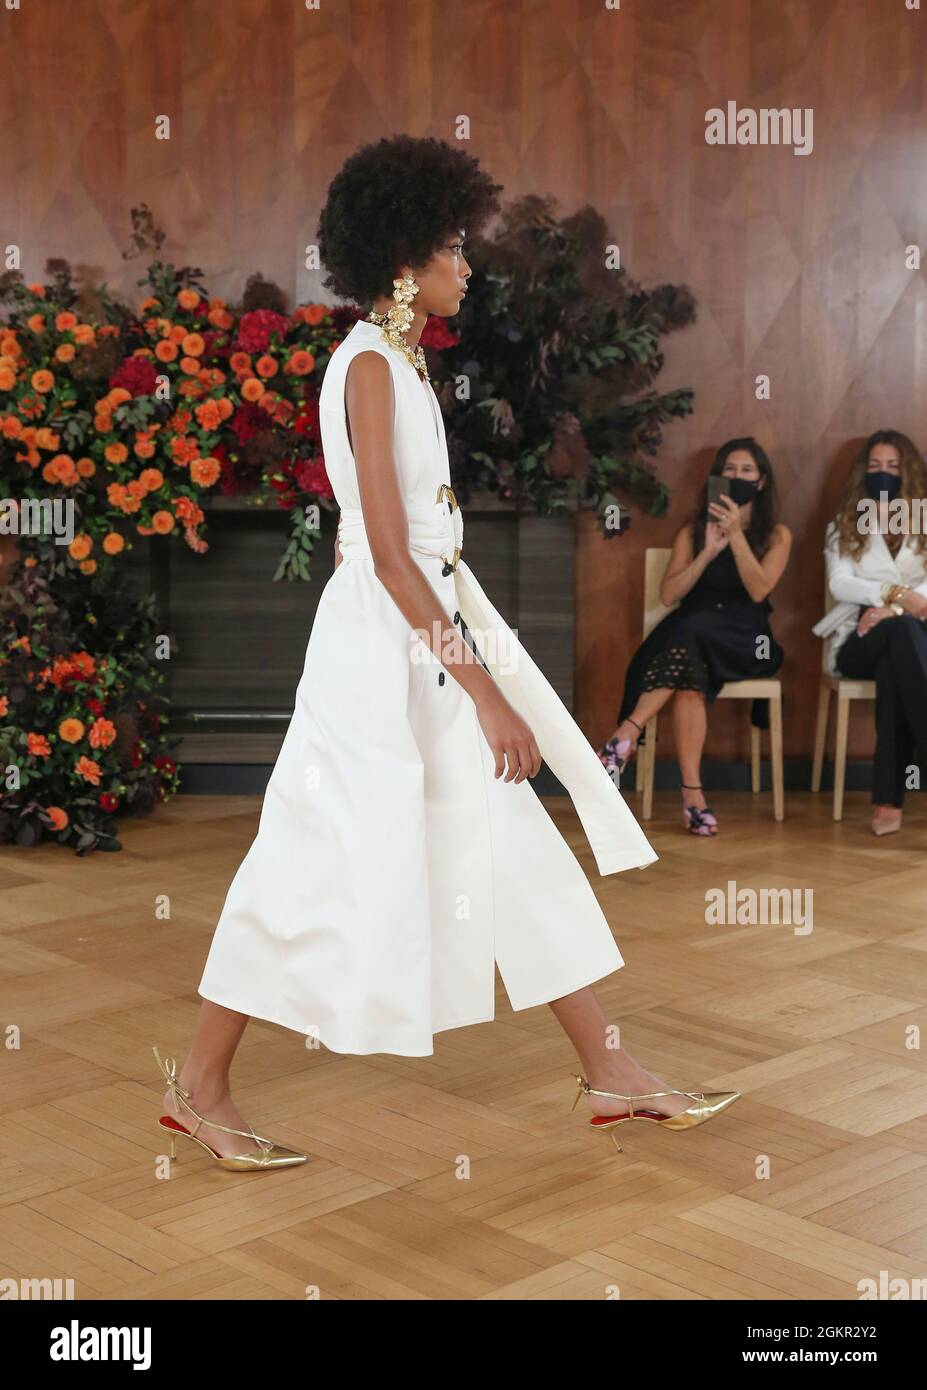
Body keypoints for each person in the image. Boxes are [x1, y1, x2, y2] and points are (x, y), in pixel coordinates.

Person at [151, 136, 739, 1170]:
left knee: (508, 842)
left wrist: (471, 678)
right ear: (401, 257)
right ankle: (199, 1085)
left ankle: (610, 1067)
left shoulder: (402, 361)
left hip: (418, 639)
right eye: (454, 246)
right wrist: (487, 695)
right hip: (379, 657)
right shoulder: (370, 366)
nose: (467, 265)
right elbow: (384, 551)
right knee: (305, 860)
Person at [598, 438, 791, 835]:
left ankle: (626, 734)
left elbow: (759, 590)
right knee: (689, 679)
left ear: (761, 481)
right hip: (692, 634)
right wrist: (708, 551)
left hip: (744, 637)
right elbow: (669, 595)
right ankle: (692, 796)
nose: (737, 477)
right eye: (730, 470)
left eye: (746, 471)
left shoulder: (776, 535)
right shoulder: (693, 530)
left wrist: (735, 536)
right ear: (717, 479)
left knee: (689, 629)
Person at [822, 429, 927, 836]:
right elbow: (840, 583)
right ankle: (890, 795)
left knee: (897, 658)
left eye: (893, 467)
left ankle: (887, 800)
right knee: (898, 638)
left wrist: (895, 609)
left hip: (909, 635)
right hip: (857, 638)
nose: (884, 474)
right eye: (876, 466)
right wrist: (893, 594)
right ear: (863, 474)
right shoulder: (843, 524)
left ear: (909, 473)